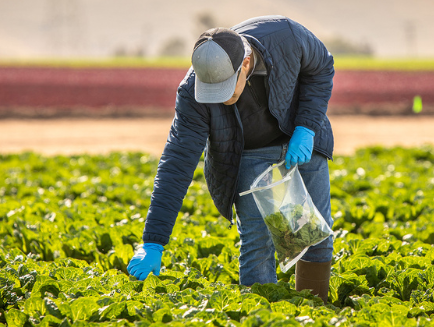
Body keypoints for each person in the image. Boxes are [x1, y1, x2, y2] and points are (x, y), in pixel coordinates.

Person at [126, 15, 335, 301]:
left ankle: (316, 309)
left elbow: (321, 66)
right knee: (257, 242)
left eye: (225, 87)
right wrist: (153, 241)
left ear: (245, 65)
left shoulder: (285, 36)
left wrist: (307, 125)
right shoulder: (192, 93)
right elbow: (177, 161)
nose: (219, 97)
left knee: (316, 234)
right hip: (248, 154)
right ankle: (260, 316)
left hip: (301, 139)